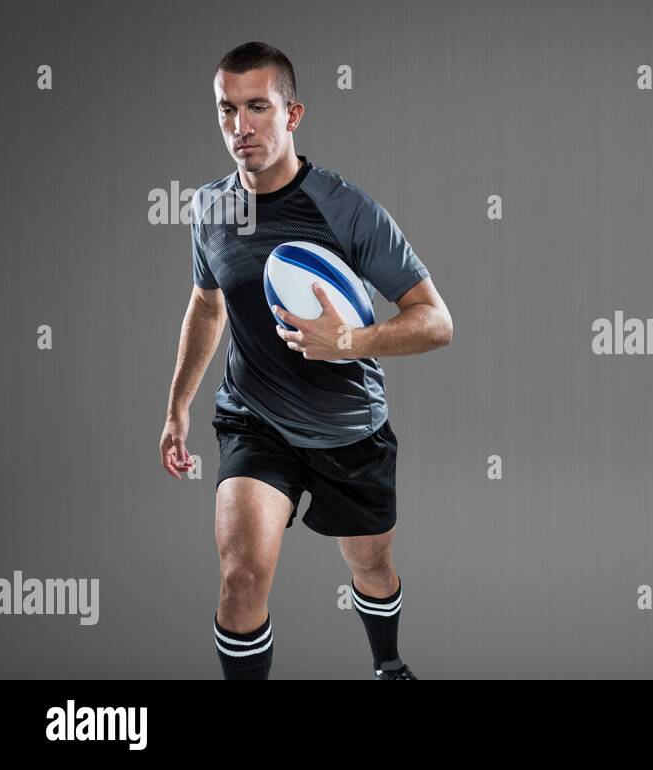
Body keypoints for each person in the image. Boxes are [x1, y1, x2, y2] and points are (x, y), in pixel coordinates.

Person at [158, 42, 452, 680]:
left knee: (371, 569)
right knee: (240, 582)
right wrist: (178, 406)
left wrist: (348, 343)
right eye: (226, 110)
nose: (241, 127)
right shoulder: (210, 208)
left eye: (257, 107)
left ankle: (389, 664)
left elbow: (436, 321)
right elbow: (208, 307)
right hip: (255, 421)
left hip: (350, 429)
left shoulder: (344, 208)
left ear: (293, 115)